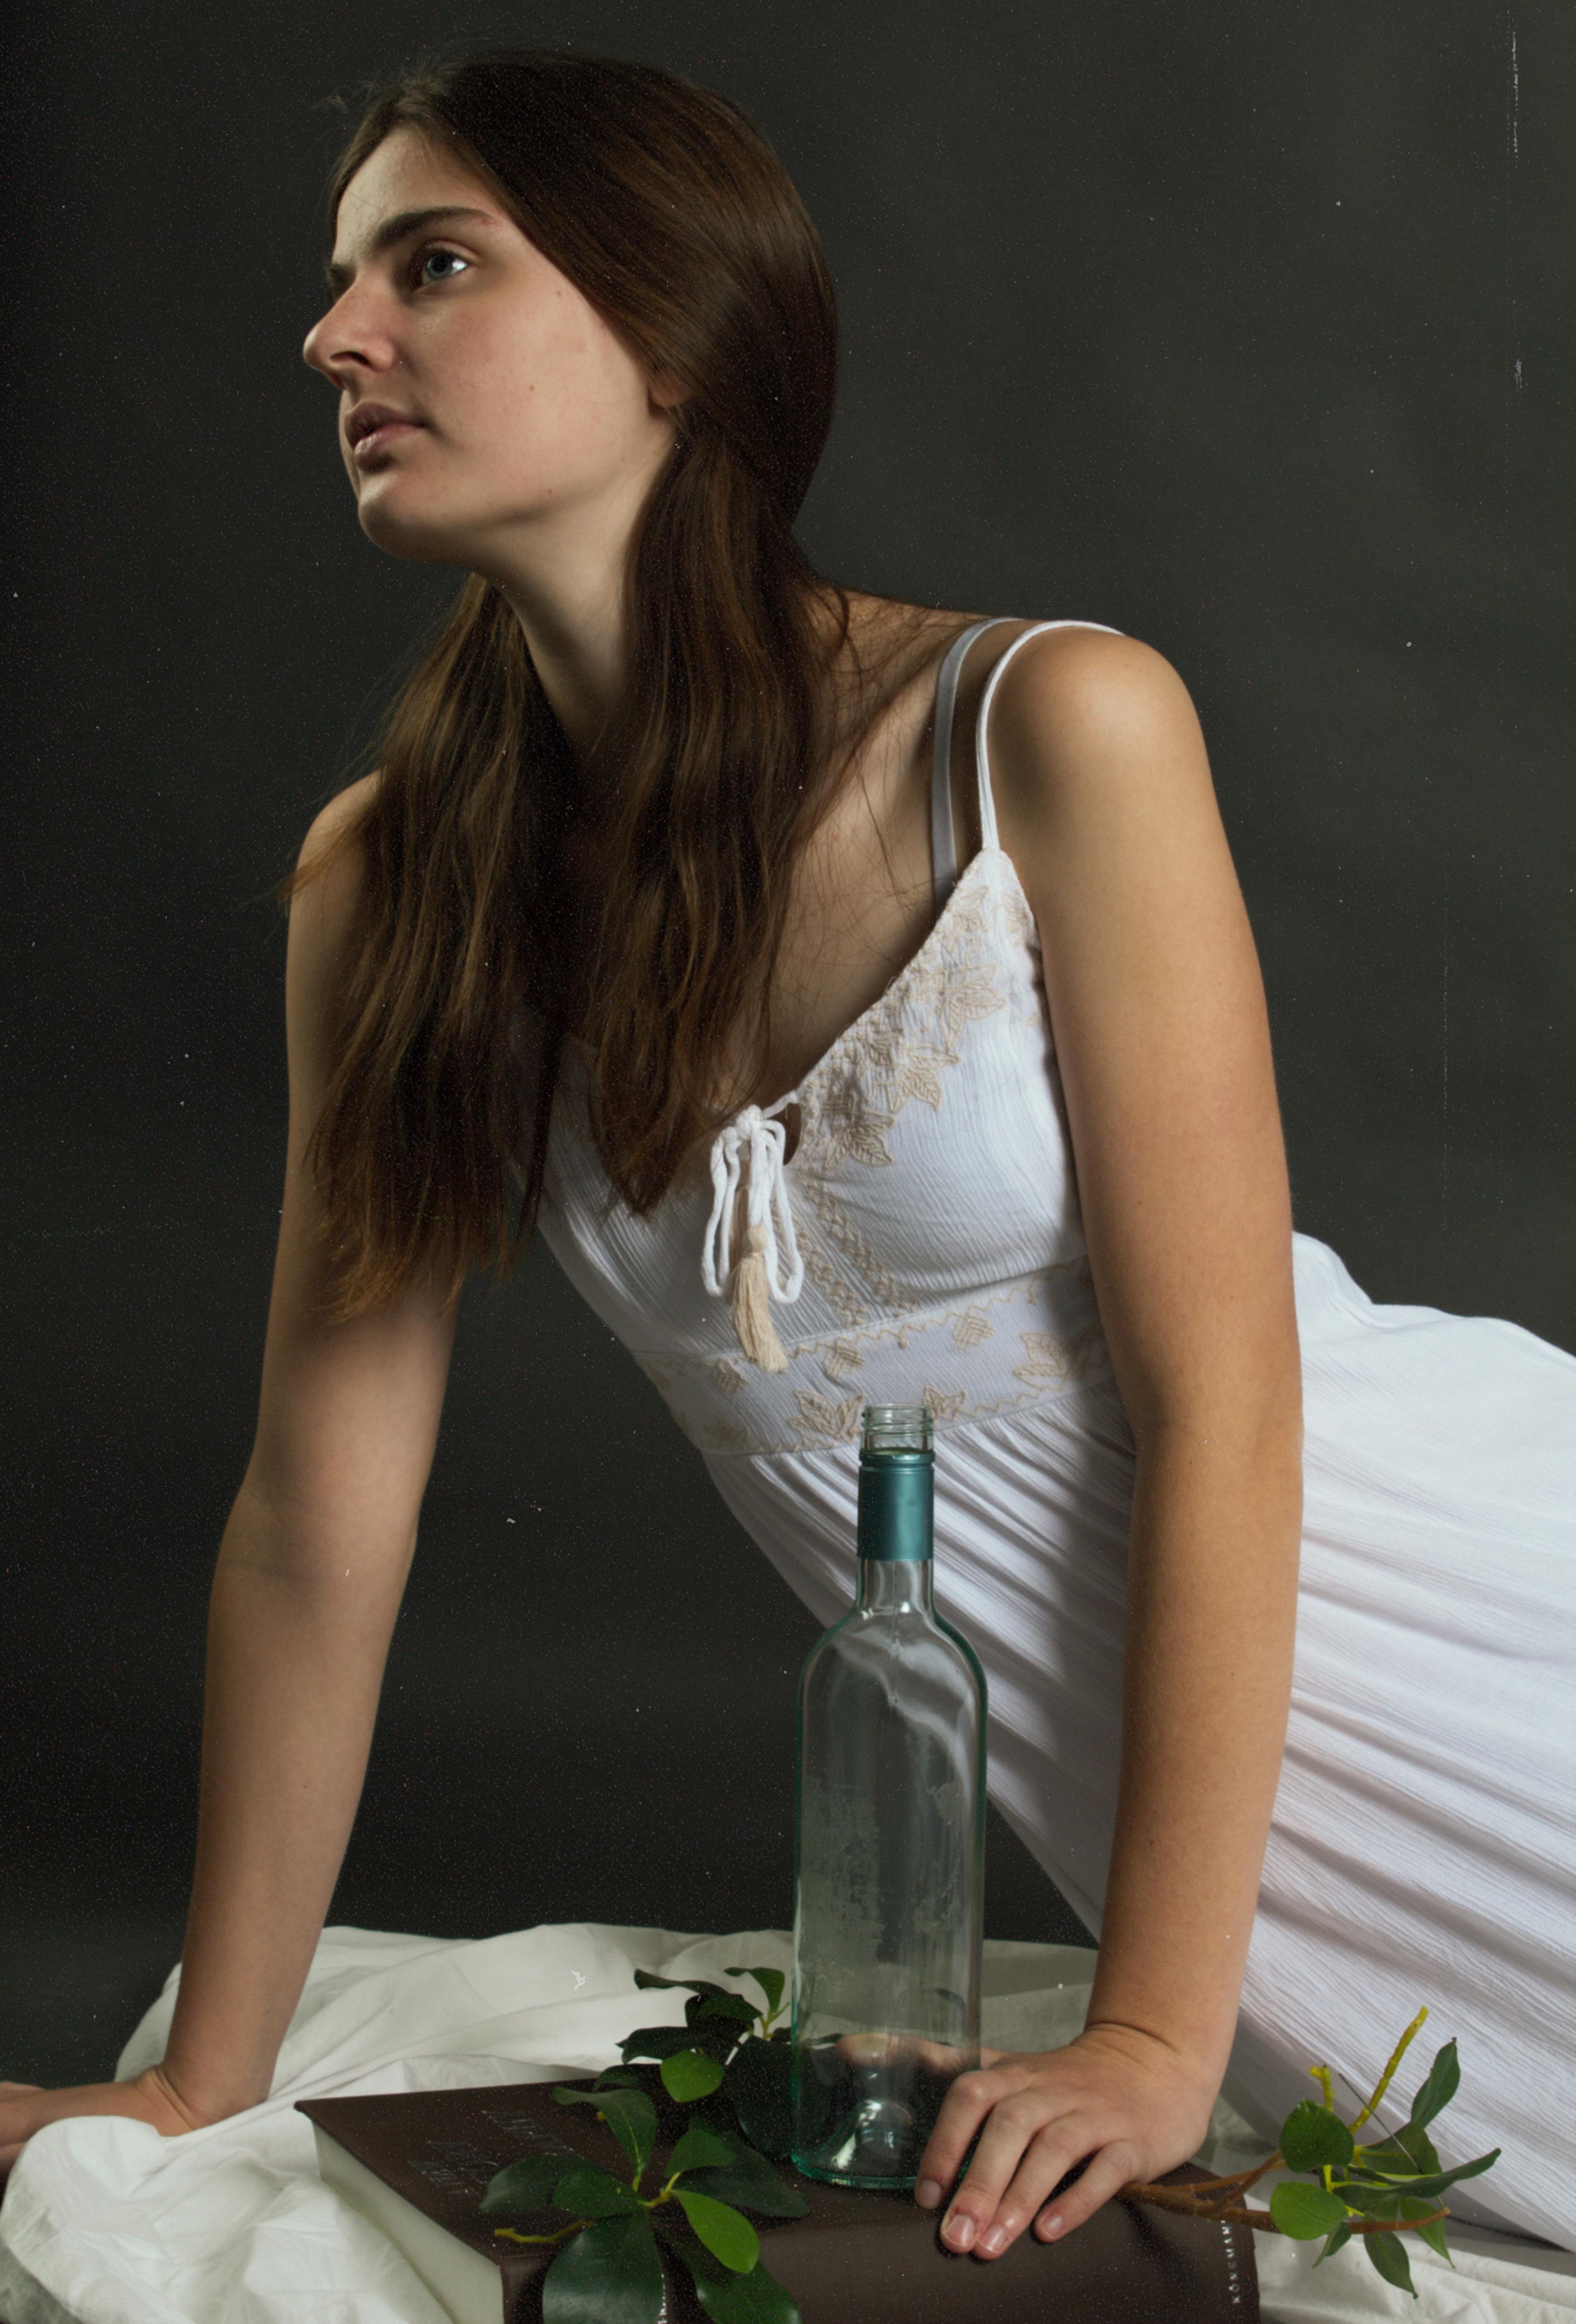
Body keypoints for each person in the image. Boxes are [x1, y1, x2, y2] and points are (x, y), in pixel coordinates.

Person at [3, 43, 1572, 2269]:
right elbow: (313, 1525)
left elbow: (1233, 1402)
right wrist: (196, 2077)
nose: (337, 337)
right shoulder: (395, 886)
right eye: (344, 280)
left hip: (1471, 1623)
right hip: (1223, 1848)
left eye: (430, 265)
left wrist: (1147, 2026)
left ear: (669, 332)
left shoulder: (1049, 726)